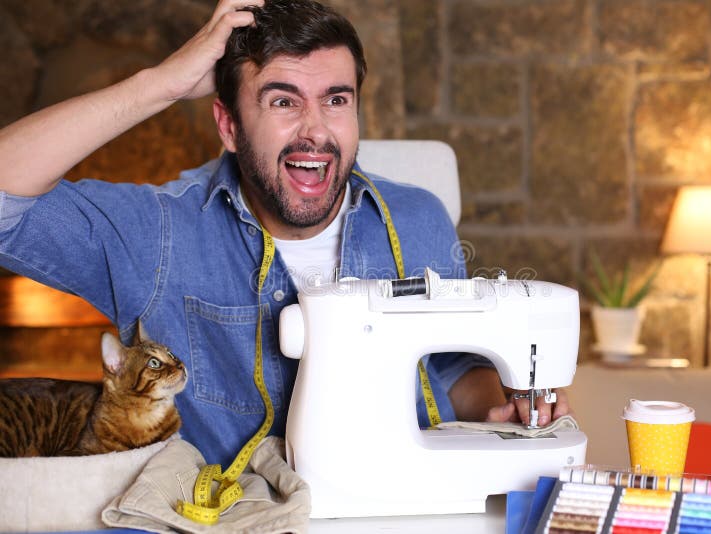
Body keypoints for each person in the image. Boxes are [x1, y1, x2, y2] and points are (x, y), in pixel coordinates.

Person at [0, 0, 570, 466]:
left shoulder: (419, 220)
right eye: (283, 101)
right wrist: (161, 84)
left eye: (336, 100)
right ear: (229, 125)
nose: (315, 131)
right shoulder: (158, 232)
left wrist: (502, 407)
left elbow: (453, 369)